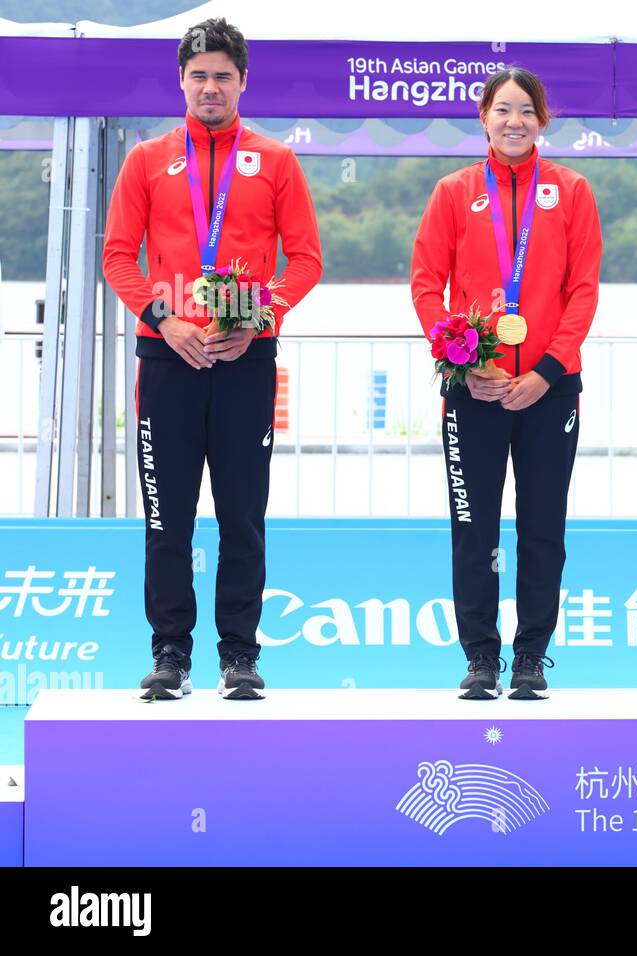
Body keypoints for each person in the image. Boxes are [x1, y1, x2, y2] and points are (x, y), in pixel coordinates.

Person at [103, 17, 322, 701]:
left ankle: (239, 657)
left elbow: (306, 261)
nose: (210, 87)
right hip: (166, 361)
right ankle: (170, 653)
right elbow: (117, 258)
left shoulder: (275, 160)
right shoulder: (145, 159)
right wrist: (164, 322)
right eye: (198, 75)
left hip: (244, 362)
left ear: (243, 82)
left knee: (241, 518)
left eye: (223, 75)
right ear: (181, 81)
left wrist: (259, 315)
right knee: (167, 518)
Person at [411, 67, 602, 700]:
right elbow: (425, 286)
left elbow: (582, 292)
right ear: (483, 118)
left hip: (551, 392)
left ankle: (531, 658)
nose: (514, 121)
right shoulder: (452, 191)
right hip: (475, 390)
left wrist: (547, 372)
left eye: (526, 111)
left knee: (543, 526)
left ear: (543, 120)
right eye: (502, 110)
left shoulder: (572, 191)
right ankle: (480, 659)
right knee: (475, 526)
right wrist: (469, 366)